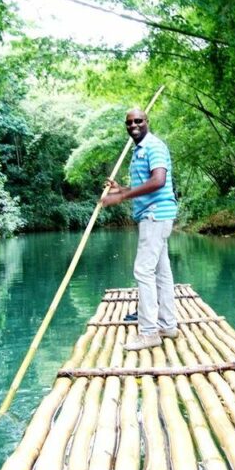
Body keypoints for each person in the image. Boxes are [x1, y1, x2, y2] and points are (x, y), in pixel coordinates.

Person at [102, 107, 178, 351]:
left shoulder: (154, 146)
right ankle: (168, 325)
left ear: (147, 121)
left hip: (155, 215)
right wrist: (121, 189)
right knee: (161, 272)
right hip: (154, 215)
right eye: (129, 122)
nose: (133, 125)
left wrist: (121, 198)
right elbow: (145, 185)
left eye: (138, 121)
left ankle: (149, 332)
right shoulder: (139, 150)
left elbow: (158, 181)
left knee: (143, 271)